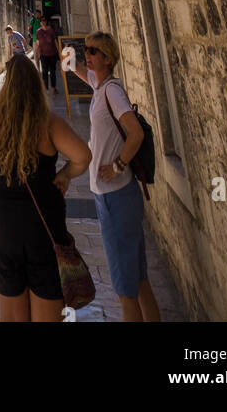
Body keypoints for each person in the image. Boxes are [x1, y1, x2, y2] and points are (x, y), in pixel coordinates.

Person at [0, 54, 91, 322]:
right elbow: (83, 157)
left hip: (4, 225)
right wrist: (63, 176)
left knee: (12, 313)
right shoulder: (48, 122)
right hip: (43, 226)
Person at [68, 31, 160, 323]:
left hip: (117, 198)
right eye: (86, 50)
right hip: (113, 197)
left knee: (124, 289)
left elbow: (135, 132)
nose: (88, 55)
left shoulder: (112, 92)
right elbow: (86, 76)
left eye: (93, 51)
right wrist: (71, 61)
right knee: (139, 279)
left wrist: (118, 164)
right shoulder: (101, 85)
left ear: (108, 58)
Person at [35, 15, 60, 94]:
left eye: (44, 20)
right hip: (43, 55)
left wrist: (59, 51)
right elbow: (38, 43)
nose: (43, 22)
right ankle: (45, 88)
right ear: (40, 22)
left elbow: (55, 41)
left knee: (53, 71)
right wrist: (36, 53)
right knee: (45, 72)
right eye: (41, 21)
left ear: (46, 22)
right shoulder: (38, 32)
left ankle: (54, 87)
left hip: (52, 54)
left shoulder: (51, 30)